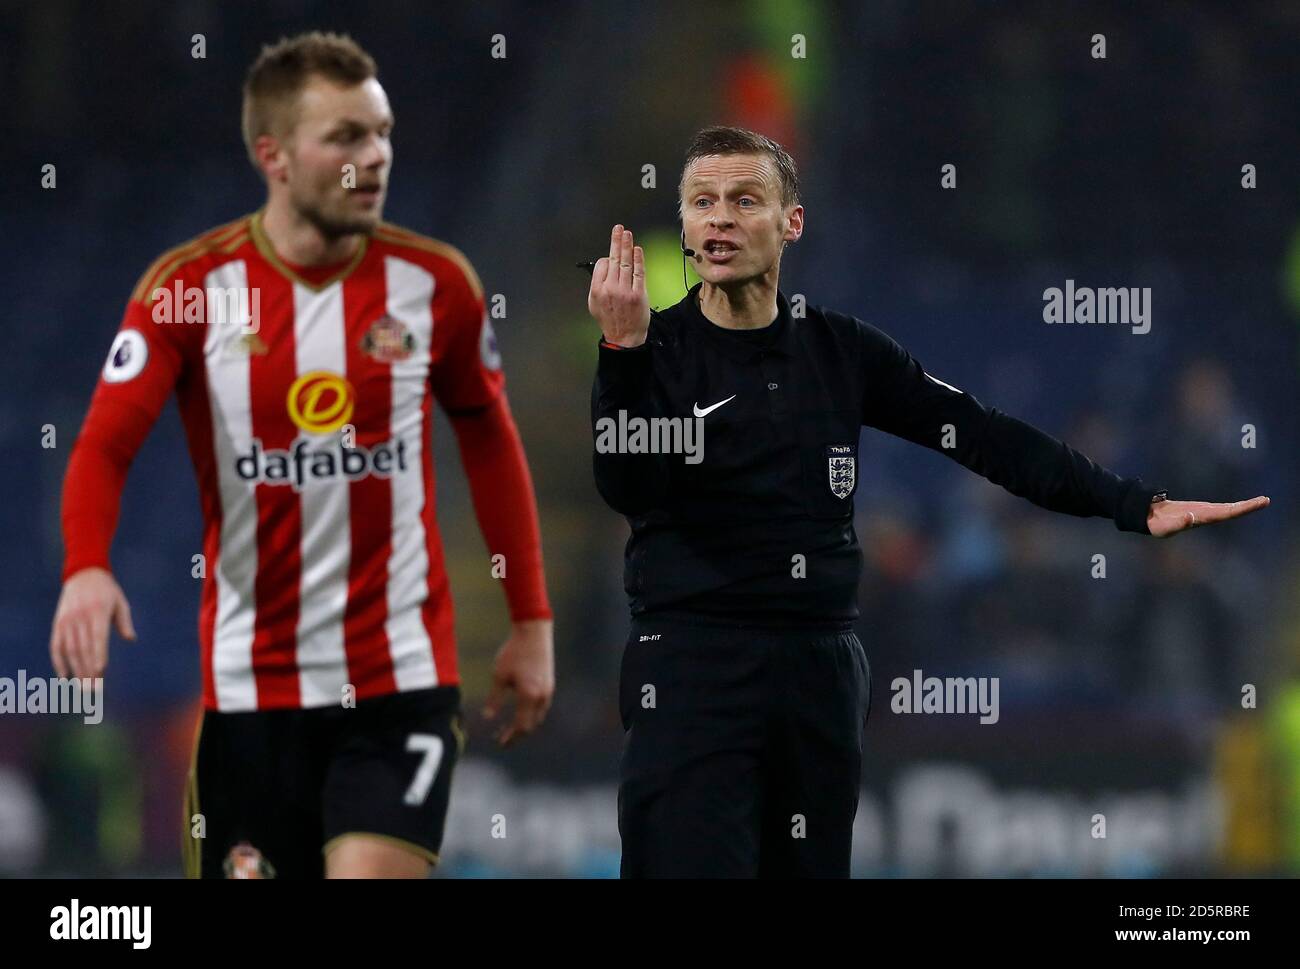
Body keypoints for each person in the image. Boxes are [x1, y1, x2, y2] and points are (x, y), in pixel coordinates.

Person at [586, 124, 1268, 878]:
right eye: (702, 201)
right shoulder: (654, 351)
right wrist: (621, 356)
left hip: (816, 668)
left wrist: (1132, 503)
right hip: (690, 661)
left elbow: (982, 435)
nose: (719, 217)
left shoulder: (840, 350)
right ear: (682, 224)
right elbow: (628, 487)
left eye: (745, 199)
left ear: (791, 222)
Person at [49, 32, 555, 879]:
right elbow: (104, 443)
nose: (376, 156)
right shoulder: (189, 287)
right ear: (273, 155)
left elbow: (491, 440)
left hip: (398, 689)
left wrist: (532, 619)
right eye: (347, 137)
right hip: (251, 698)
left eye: (383, 133)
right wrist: (87, 567)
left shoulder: (436, 286)